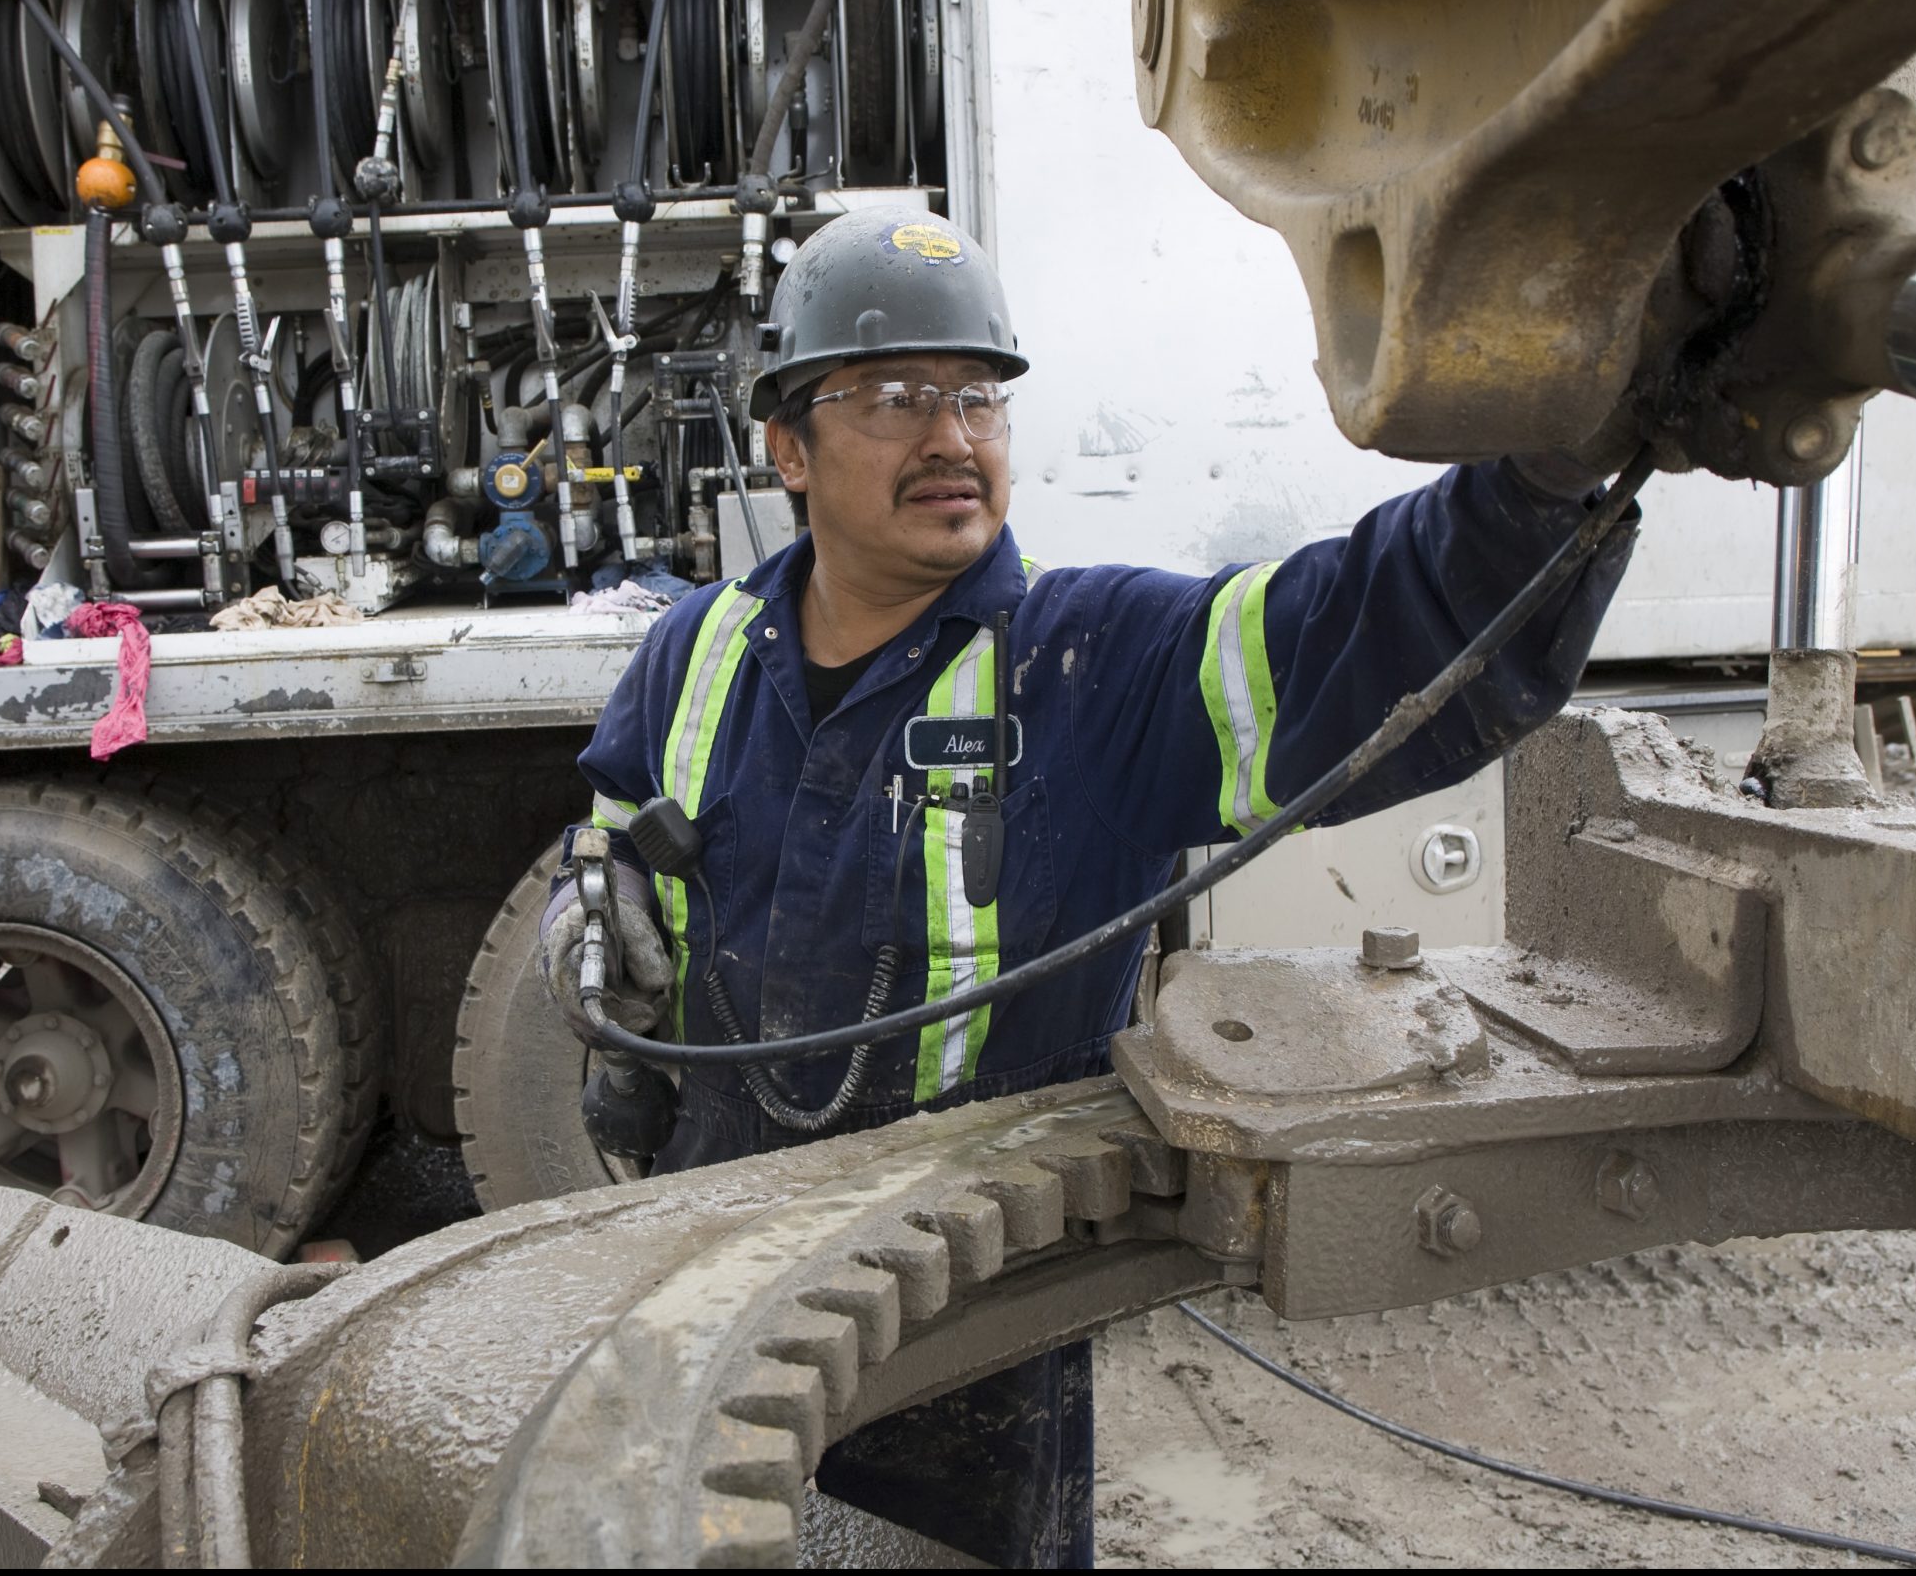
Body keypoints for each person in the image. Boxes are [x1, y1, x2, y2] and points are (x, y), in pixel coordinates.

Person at [538, 207, 1634, 1566]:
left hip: (967, 1309)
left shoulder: (1096, 662)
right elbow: (614, 829)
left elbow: (1359, 632)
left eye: (979, 397)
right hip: (717, 1258)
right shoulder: (693, 649)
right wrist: (586, 906)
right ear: (787, 447)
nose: (954, 438)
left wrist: (1550, 469)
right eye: (896, 397)